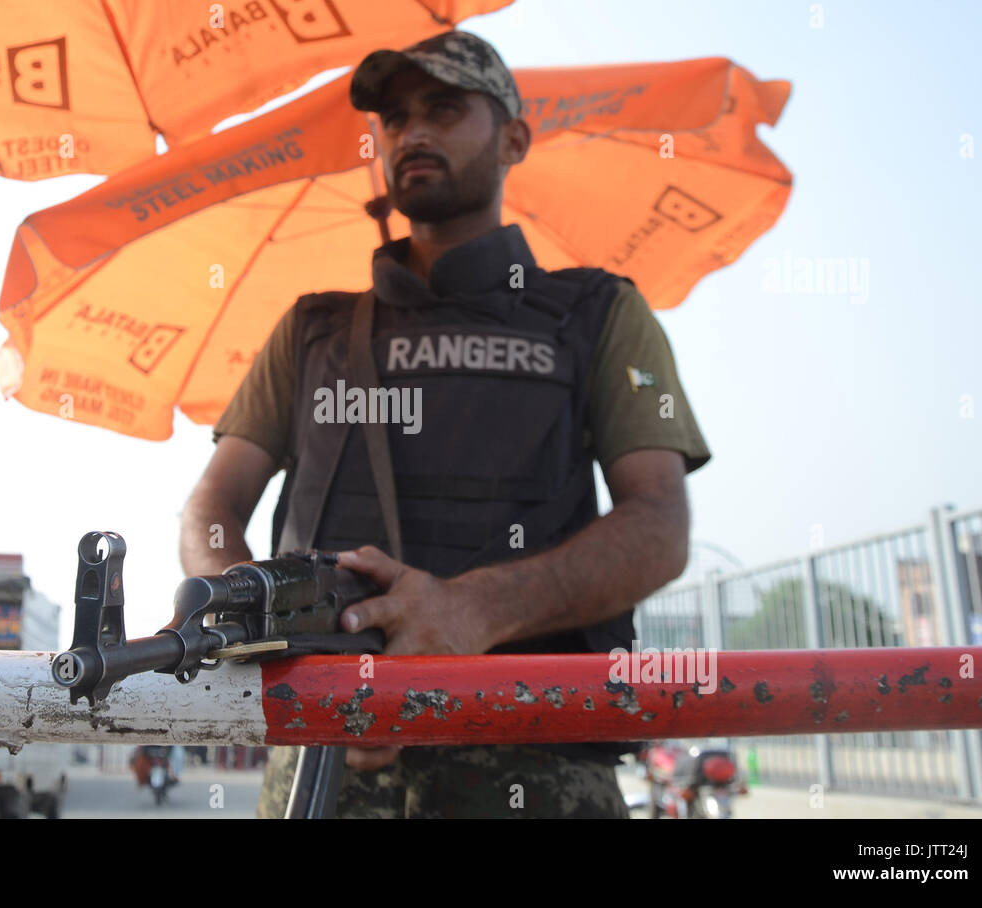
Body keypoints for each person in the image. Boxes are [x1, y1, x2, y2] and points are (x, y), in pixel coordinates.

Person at [179, 30, 712, 818]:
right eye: (393, 118)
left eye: (444, 107)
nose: (412, 132)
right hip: (326, 757)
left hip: (537, 758)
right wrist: (246, 615)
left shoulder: (598, 312)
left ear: (514, 138)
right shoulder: (313, 330)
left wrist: (470, 611)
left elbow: (660, 526)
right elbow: (212, 508)